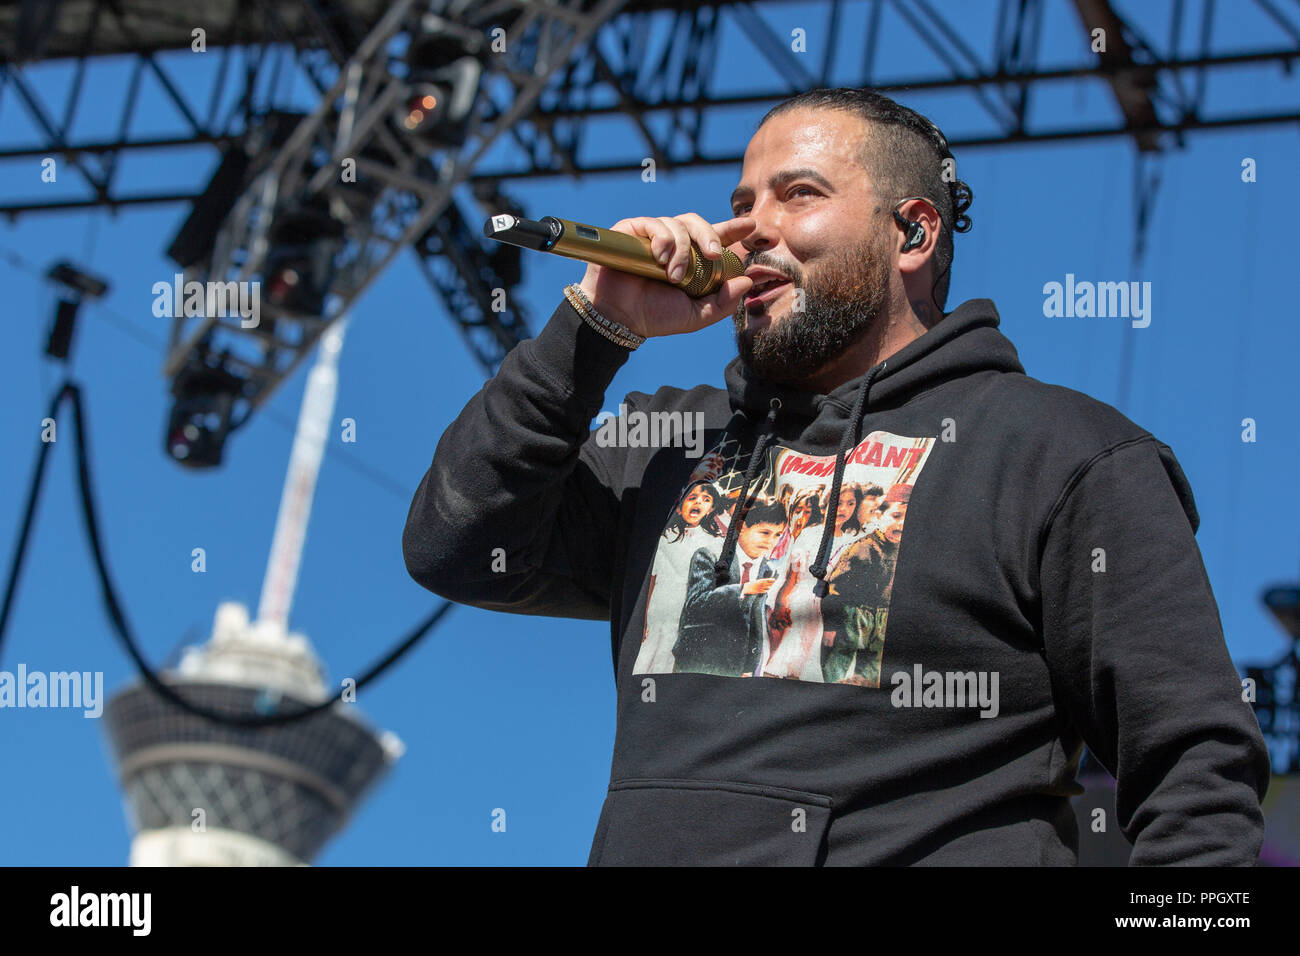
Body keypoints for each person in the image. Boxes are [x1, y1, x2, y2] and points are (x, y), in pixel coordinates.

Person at [403, 86, 1269, 865]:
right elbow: (458, 545)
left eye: (800, 195)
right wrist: (597, 326)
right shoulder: (669, 440)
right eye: (742, 202)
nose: (753, 229)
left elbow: (1196, 777)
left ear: (914, 233)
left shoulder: (1066, 455)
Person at [673, 498, 785, 677]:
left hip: (737, 667)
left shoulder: (768, 569)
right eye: (764, 532)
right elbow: (695, 605)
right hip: (700, 660)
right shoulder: (710, 555)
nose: (771, 541)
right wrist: (742, 590)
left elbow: (755, 619)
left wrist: (749, 665)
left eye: (777, 535)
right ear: (741, 527)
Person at [633, 481, 724, 674]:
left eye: (705, 499)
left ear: (710, 509)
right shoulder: (665, 537)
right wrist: (645, 618)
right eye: (692, 498)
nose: (698, 502)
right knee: (651, 657)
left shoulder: (713, 543)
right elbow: (652, 579)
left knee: (674, 660)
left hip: (688, 613)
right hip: (660, 608)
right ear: (680, 506)